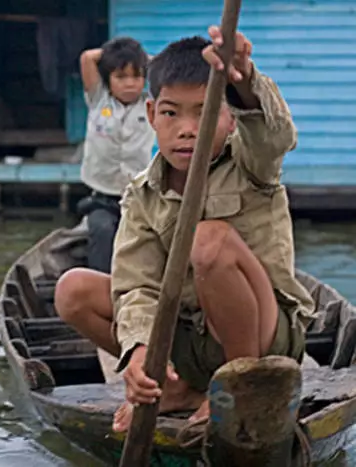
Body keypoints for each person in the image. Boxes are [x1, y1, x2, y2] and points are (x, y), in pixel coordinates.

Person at [54, 27, 317, 432]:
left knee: (209, 241)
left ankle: (239, 386)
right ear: (151, 115)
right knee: (73, 290)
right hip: (190, 337)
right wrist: (139, 352)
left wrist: (245, 82)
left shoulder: (252, 165)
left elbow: (274, 134)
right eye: (171, 113)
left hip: (264, 339)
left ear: (231, 120)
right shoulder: (142, 194)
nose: (187, 128)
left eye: (205, 111)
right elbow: (136, 287)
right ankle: (177, 389)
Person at [78, 37, 155, 274]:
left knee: (142, 240)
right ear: (108, 79)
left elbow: (162, 67)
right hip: (102, 195)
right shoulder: (98, 99)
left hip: (139, 197)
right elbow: (88, 58)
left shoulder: (150, 104)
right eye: (121, 77)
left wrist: (141, 58)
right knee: (101, 231)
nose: (130, 84)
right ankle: (102, 286)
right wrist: (119, 54)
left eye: (136, 76)